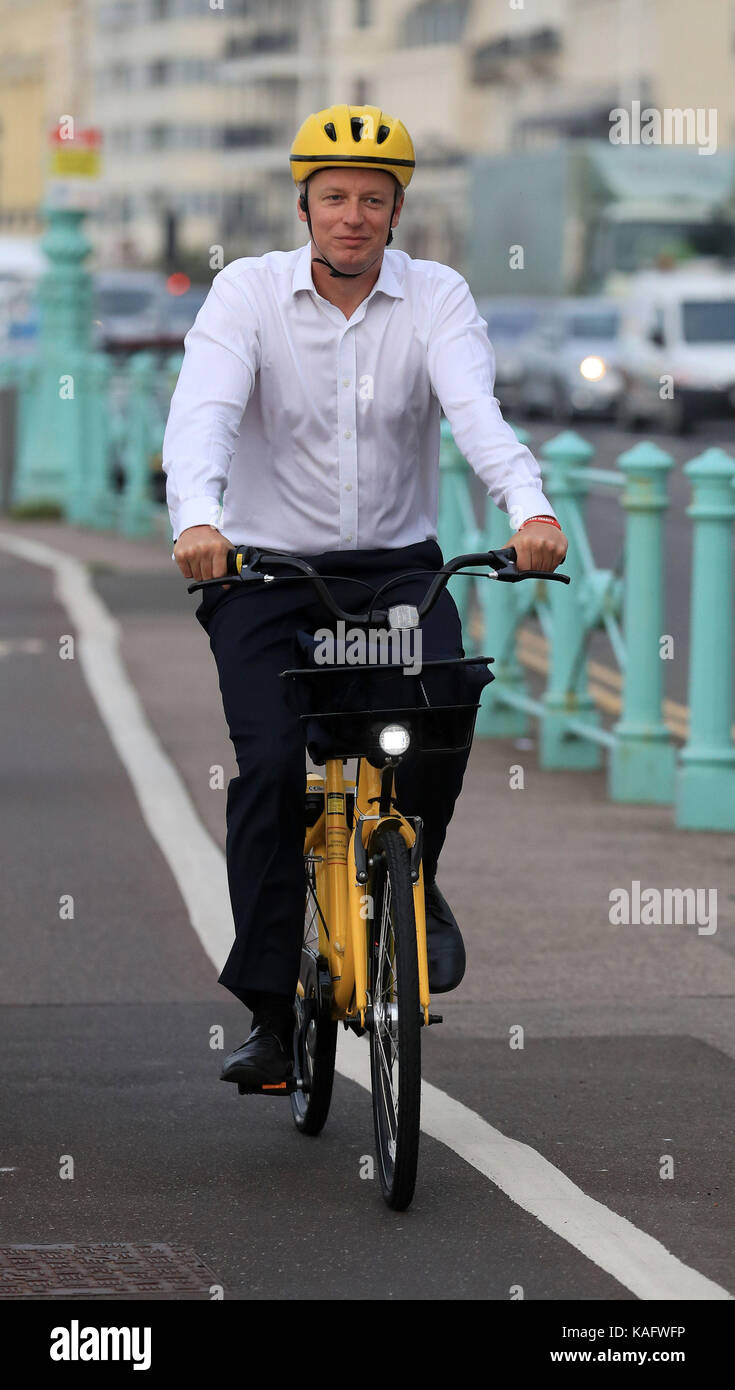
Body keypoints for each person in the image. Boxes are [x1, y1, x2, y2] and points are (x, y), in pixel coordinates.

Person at [162, 104, 568, 1087]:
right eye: (335, 197)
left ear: (398, 213)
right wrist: (198, 522)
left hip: (395, 567)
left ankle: (414, 882)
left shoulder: (437, 296)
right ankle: (269, 1010)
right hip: (262, 573)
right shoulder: (247, 293)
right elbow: (203, 415)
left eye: (374, 200)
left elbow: (476, 411)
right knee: (270, 769)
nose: (354, 215)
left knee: (448, 698)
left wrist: (532, 508)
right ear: (304, 204)